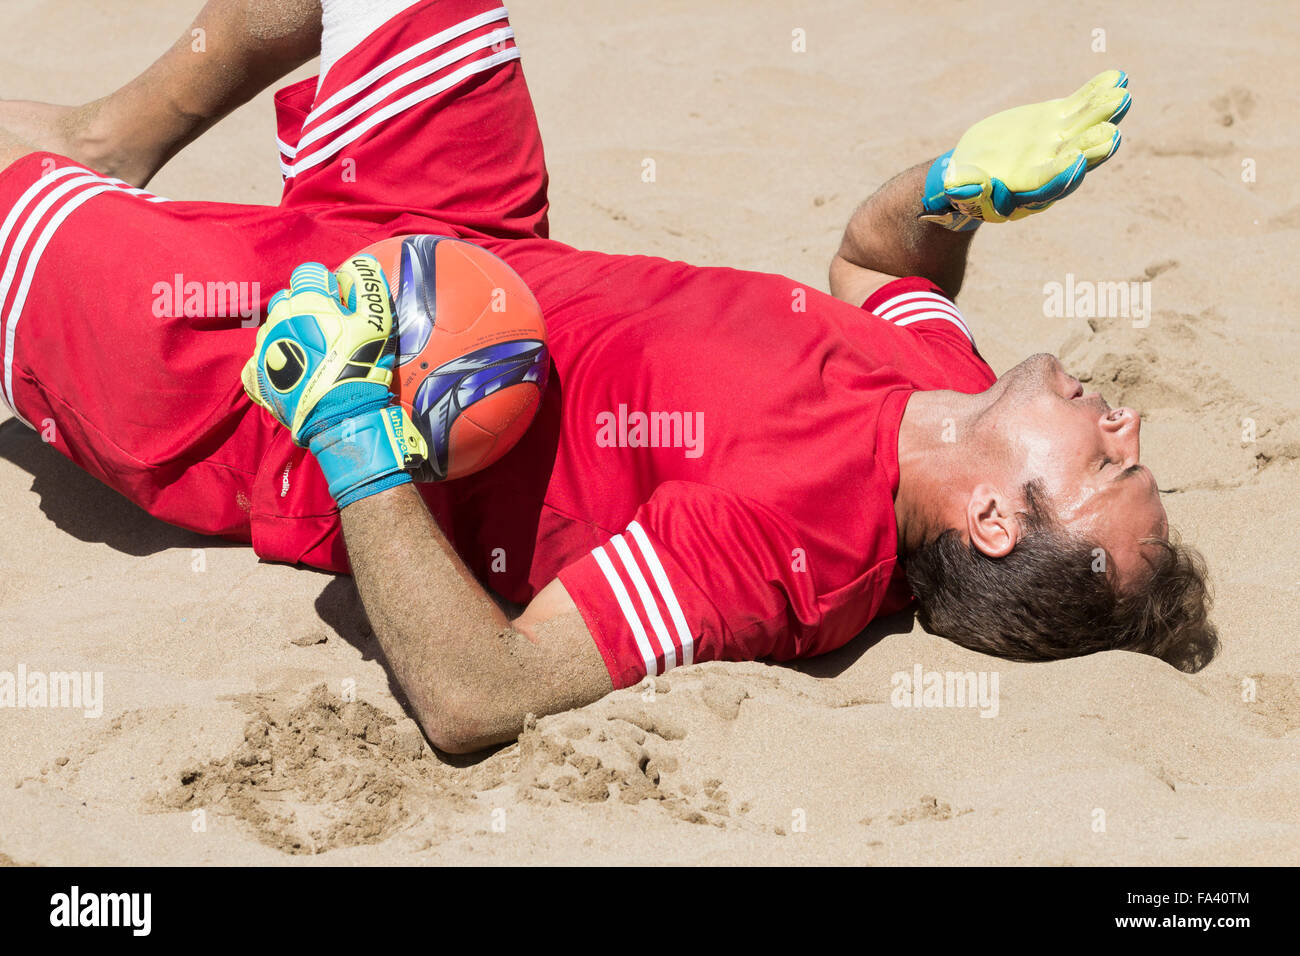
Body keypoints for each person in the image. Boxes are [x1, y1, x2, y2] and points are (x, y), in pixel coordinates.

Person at [0, 0, 1216, 753]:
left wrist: (349, 420)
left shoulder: (793, 545)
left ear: (993, 519)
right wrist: (953, 190)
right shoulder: (943, 385)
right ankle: (115, 134)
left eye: (1110, 459)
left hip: (286, 382)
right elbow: (872, 256)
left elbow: (482, 691)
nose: (1126, 415)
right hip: (468, 243)